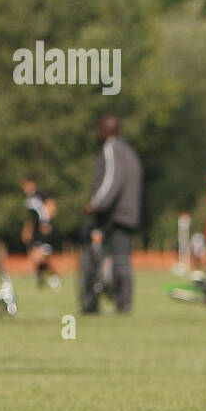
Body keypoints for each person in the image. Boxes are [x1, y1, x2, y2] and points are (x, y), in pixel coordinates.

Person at [79, 115, 142, 313]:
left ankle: (91, 303)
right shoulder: (130, 151)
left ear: (107, 130)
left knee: (91, 257)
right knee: (122, 260)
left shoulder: (111, 148)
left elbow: (112, 179)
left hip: (111, 214)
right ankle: (124, 303)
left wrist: (96, 204)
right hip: (129, 213)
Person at [20, 177, 61, 289]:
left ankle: (53, 277)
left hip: (45, 229)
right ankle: (45, 278)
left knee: (39, 257)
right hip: (35, 231)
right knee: (35, 258)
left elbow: (51, 207)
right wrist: (27, 230)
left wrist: (46, 222)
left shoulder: (41, 194)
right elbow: (30, 218)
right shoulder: (28, 199)